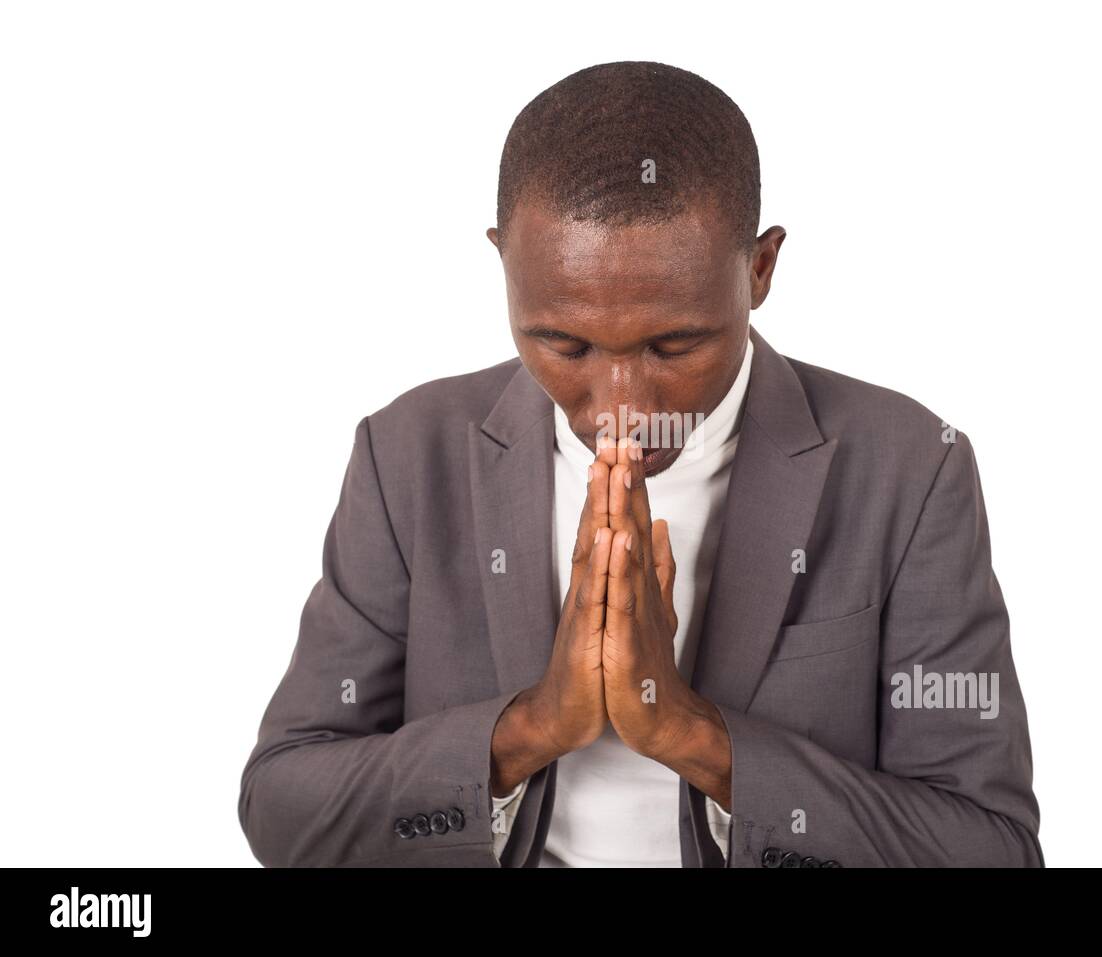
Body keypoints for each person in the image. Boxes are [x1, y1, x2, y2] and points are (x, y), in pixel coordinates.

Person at [237, 60, 1044, 868]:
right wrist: (532, 727)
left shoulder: (909, 469)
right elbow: (282, 806)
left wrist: (689, 733)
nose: (619, 406)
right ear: (504, 263)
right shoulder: (407, 454)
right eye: (564, 343)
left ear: (760, 269)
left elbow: (992, 847)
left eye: (675, 344)